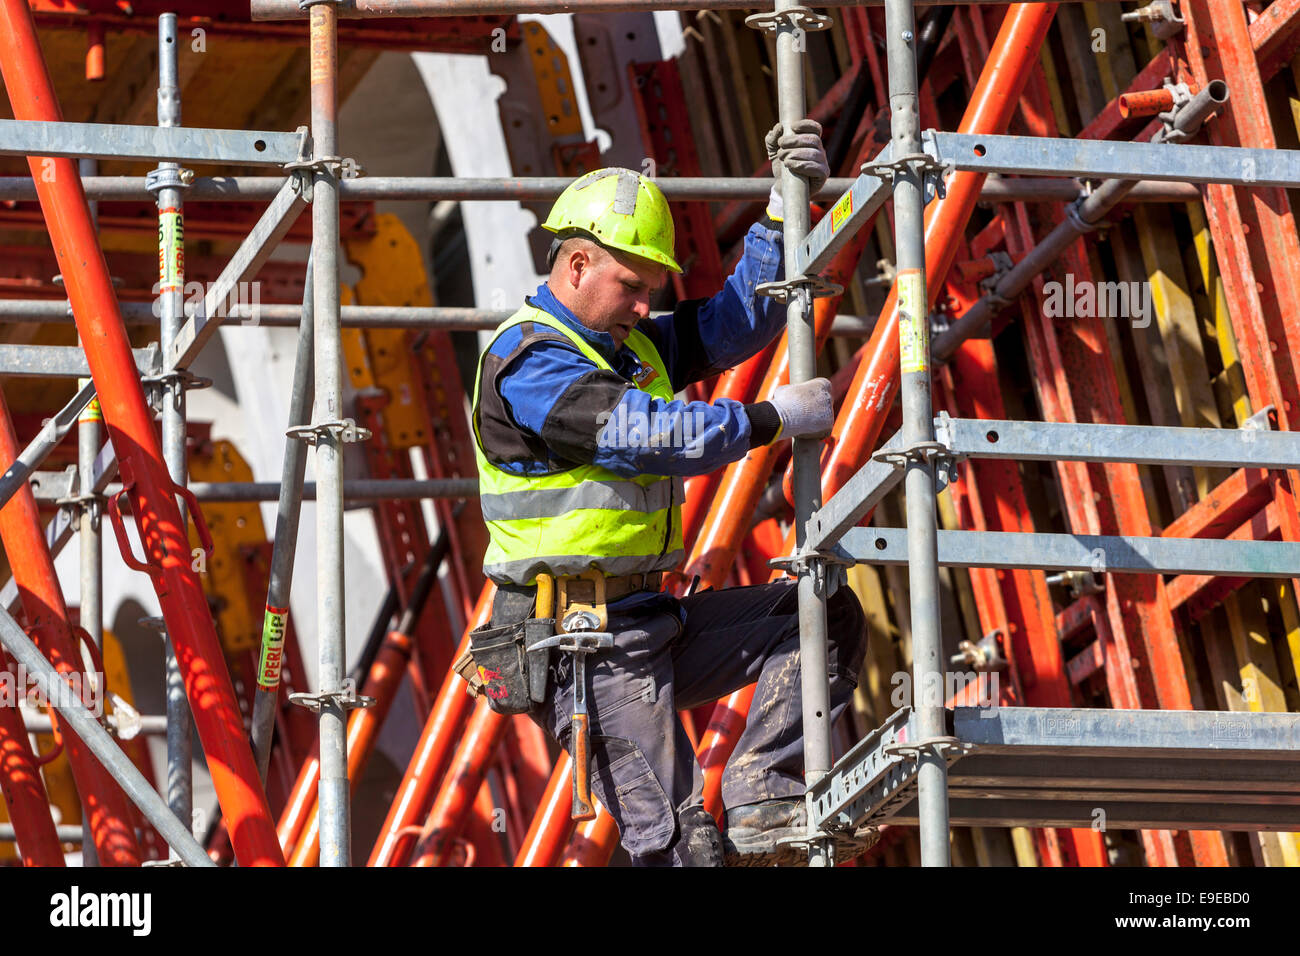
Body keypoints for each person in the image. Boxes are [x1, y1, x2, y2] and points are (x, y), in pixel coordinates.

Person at [465, 121, 869, 866]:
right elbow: (645, 435)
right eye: (633, 287)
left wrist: (784, 213)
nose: (645, 307)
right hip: (583, 646)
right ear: (578, 264)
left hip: (651, 621)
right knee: (684, 846)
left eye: (651, 291)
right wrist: (771, 419)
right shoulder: (527, 362)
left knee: (822, 617)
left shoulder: (628, 346)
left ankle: (762, 790)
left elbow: (737, 318)